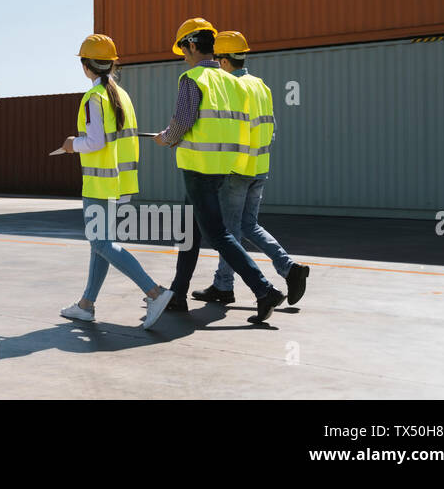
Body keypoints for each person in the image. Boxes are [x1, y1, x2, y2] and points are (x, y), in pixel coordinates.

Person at [155, 18, 286, 323]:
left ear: (191, 45)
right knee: (189, 231)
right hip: (224, 167)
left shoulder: (192, 78)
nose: (183, 56)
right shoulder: (232, 82)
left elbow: (183, 122)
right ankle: (177, 293)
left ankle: (264, 290)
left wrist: (167, 138)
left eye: (183, 49)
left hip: (198, 166)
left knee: (218, 234)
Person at [58, 34, 174, 330]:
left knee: (101, 243)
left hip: (100, 184)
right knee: (101, 244)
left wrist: (73, 144)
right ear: (111, 64)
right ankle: (86, 305)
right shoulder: (122, 95)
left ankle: (155, 292)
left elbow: (95, 142)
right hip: (120, 182)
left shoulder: (94, 97)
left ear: (86, 67)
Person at [192, 31, 310, 305]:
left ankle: (224, 286)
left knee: (227, 231)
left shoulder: (230, 87)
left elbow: (225, 131)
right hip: (259, 167)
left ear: (222, 60)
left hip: (236, 171)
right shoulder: (261, 86)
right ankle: (290, 268)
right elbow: (272, 129)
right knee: (248, 225)